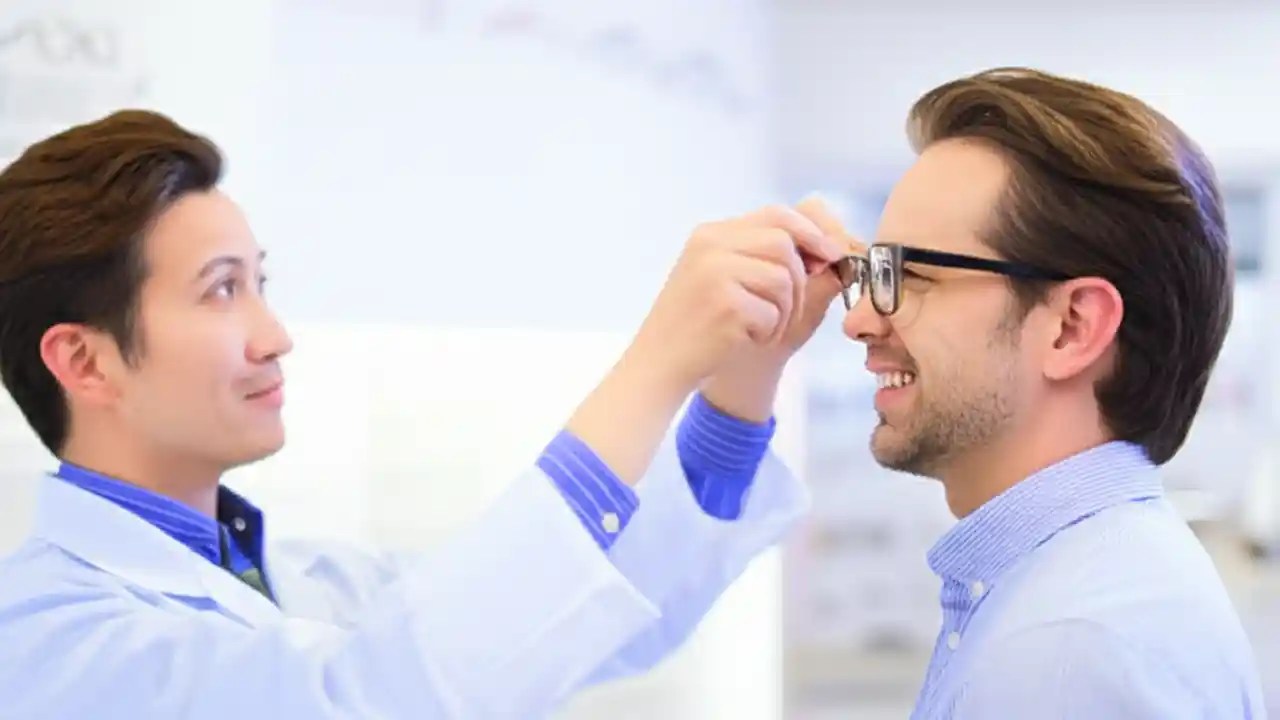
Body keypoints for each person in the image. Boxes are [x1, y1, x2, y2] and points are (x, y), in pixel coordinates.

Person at [0, 110, 849, 719]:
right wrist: (656, 364)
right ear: (84, 361)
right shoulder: (46, 642)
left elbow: (593, 617)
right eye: (221, 290)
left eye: (261, 283)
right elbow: (385, 696)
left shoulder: (317, 581)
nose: (275, 335)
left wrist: (748, 373)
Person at [820, 67, 1265, 717]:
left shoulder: (1069, 652)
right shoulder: (1081, 596)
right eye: (873, 274)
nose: (859, 320)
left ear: (1072, 327)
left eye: (910, 276)